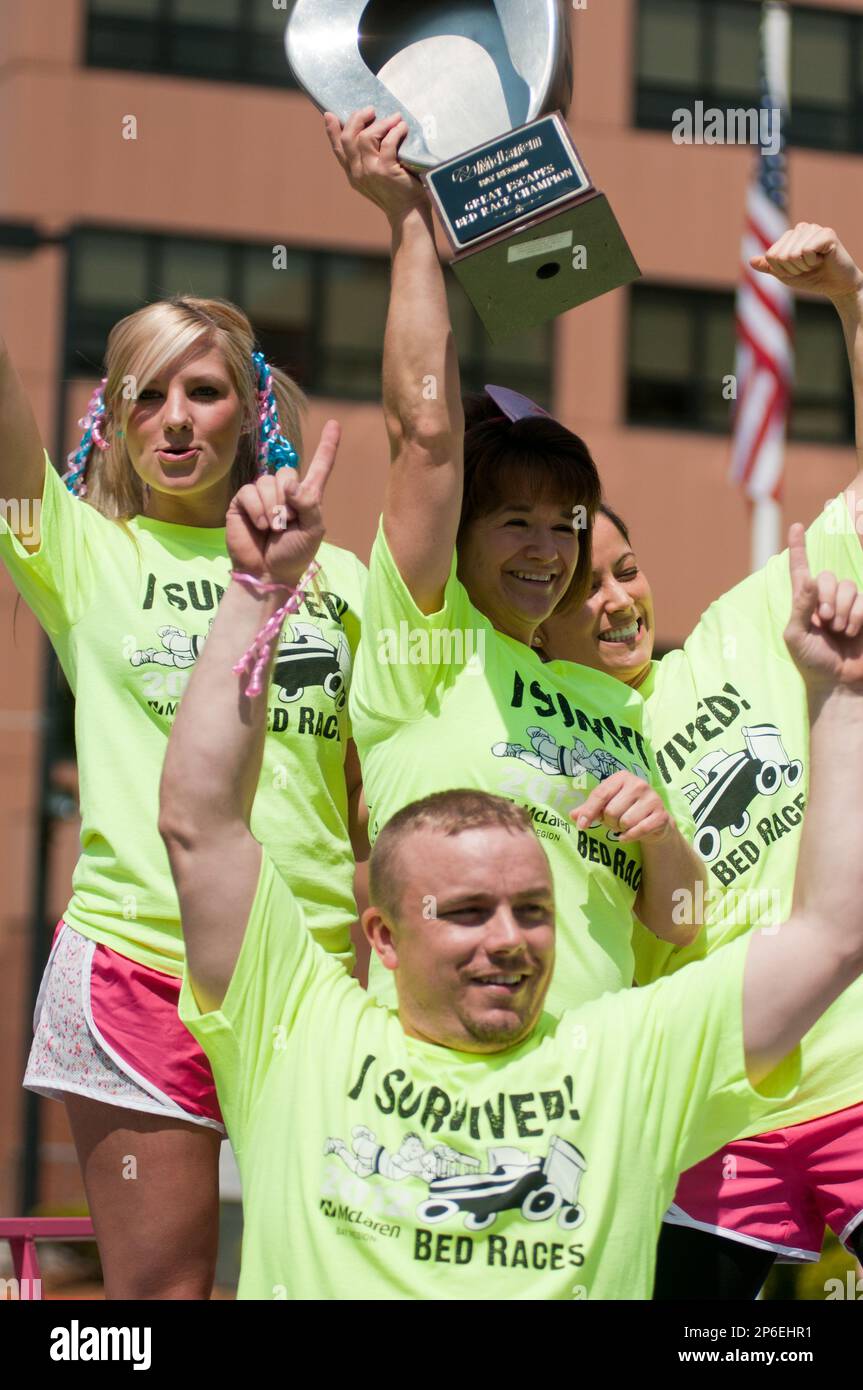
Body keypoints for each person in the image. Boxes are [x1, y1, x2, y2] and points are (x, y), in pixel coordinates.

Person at [164, 437, 863, 1301]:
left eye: (534, 911)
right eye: (465, 911)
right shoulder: (303, 1037)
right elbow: (198, 826)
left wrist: (838, 702)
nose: (508, 939)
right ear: (380, 936)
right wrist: (256, 592)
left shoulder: (619, 1063)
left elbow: (828, 930)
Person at [0, 298, 367, 1298]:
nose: (171, 417)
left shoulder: (339, 578)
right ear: (111, 420)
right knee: (161, 1307)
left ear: (249, 414)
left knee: (325, 1281)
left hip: (308, 979)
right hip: (133, 968)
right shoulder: (77, 551)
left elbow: (373, 791)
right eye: (143, 394)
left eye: (201, 392)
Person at [324, 108, 704, 1018]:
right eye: (515, 521)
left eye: (565, 523)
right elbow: (424, 438)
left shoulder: (622, 703)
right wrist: (407, 224)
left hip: (586, 1093)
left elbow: (682, 921)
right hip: (433, 1073)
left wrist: (658, 839)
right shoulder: (430, 645)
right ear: (457, 537)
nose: (547, 547)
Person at [541, 224, 863, 1295]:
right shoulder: (561, 736)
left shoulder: (755, 614)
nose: (616, 600)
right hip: (716, 1107)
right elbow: (667, 928)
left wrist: (847, 304)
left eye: (623, 569)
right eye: (582, 588)